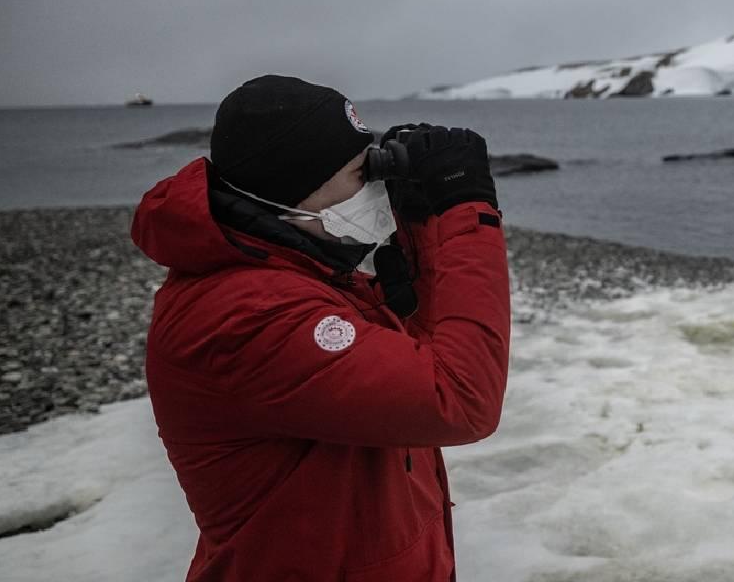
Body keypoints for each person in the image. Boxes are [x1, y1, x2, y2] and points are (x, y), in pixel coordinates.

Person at [131, 75, 511, 581]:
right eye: (361, 173)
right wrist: (467, 210)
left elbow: (419, 350)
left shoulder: (298, 271)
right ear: (296, 192)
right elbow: (460, 398)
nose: (374, 188)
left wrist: (419, 223)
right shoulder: (243, 317)